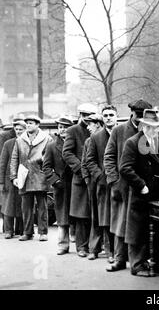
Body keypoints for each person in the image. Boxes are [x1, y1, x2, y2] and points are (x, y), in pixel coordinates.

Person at [119, 109, 159, 277]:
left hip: (157, 192)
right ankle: (138, 265)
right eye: (156, 127)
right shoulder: (133, 143)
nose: (158, 130)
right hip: (141, 194)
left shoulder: (157, 142)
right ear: (147, 127)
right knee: (138, 230)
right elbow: (125, 168)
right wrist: (141, 185)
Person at [103, 99, 152, 272]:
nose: (139, 119)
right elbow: (108, 157)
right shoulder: (119, 130)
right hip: (122, 186)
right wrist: (114, 181)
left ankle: (138, 261)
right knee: (119, 224)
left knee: (137, 226)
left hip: (139, 188)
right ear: (132, 113)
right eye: (137, 115)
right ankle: (119, 259)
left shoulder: (149, 131)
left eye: (143, 116)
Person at [10, 115, 52, 241]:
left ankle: (43, 232)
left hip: (40, 175)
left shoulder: (46, 139)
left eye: (31, 123)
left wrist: (41, 161)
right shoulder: (20, 140)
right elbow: (14, 159)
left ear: (38, 125)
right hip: (25, 176)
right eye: (27, 123)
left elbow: (49, 156)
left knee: (42, 206)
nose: (28, 125)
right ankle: (27, 232)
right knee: (26, 207)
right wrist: (14, 177)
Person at [62, 103, 97, 257]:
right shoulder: (73, 130)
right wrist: (82, 169)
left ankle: (94, 246)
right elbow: (67, 153)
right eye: (84, 115)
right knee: (81, 215)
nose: (86, 118)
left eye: (89, 115)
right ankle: (81, 247)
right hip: (80, 179)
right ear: (80, 115)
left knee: (94, 213)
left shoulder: (97, 130)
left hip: (95, 177)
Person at [86, 106, 118, 263]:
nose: (108, 118)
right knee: (104, 218)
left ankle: (120, 252)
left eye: (111, 115)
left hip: (121, 184)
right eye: (105, 115)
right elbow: (89, 160)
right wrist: (99, 176)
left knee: (119, 218)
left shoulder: (122, 134)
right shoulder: (96, 137)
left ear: (116, 116)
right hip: (103, 185)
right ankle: (108, 251)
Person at [42, 116, 74, 254]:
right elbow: (46, 167)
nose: (63, 130)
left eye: (66, 127)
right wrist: (55, 180)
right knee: (62, 217)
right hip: (60, 186)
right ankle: (63, 245)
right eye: (60, 127)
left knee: (78, 215)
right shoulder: (51, 146)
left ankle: (80, 245)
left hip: (76, 184)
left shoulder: (77, 143)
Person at [81, 113, 104, 260]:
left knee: (108, 217)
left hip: (110, 183)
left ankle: (110, 250)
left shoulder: (110, 138)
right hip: (94, 183)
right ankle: (94, 249)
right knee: (95, 216)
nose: (88, 127)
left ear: (98, 124)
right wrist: (88, 180)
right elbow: (85, 163)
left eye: (90, 124)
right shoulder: (89, 141)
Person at [0, 120, 26, 239]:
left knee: (21, 204)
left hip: (23, 177)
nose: (19, 131)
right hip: (8, 179)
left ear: (25, 130)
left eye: (21, 129)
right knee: (8, 205)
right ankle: (8, 231)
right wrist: (1, 182)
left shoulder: (27, 143)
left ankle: (20, 230)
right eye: (17, 129)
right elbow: (3, 163)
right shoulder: (8, 144)